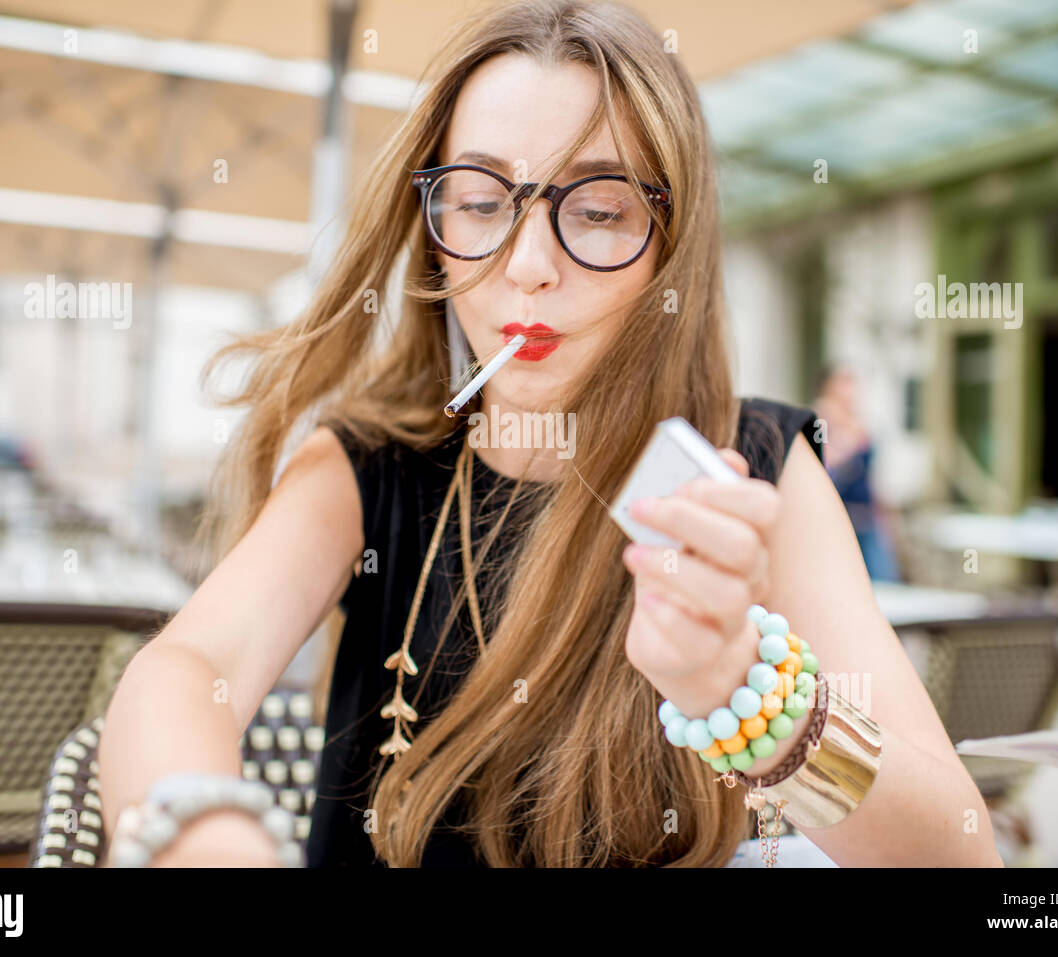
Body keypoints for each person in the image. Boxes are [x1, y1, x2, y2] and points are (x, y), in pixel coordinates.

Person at [98, 0, 1000, 868]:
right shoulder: (369, 466)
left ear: (669, 241)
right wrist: (202, 832)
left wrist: (749, 698)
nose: (528, 267)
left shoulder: (756, 467)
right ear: (432, 228)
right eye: (482, 201)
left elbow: (960, 851)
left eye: (598, 210)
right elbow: (187, 666)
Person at [813, 364, 901, 582]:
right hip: (838, 514)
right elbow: (824, 465)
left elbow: (870, 478)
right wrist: (848, 441)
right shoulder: (822, 418)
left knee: (881, 578)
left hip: (865, 516)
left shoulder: (860, 423)